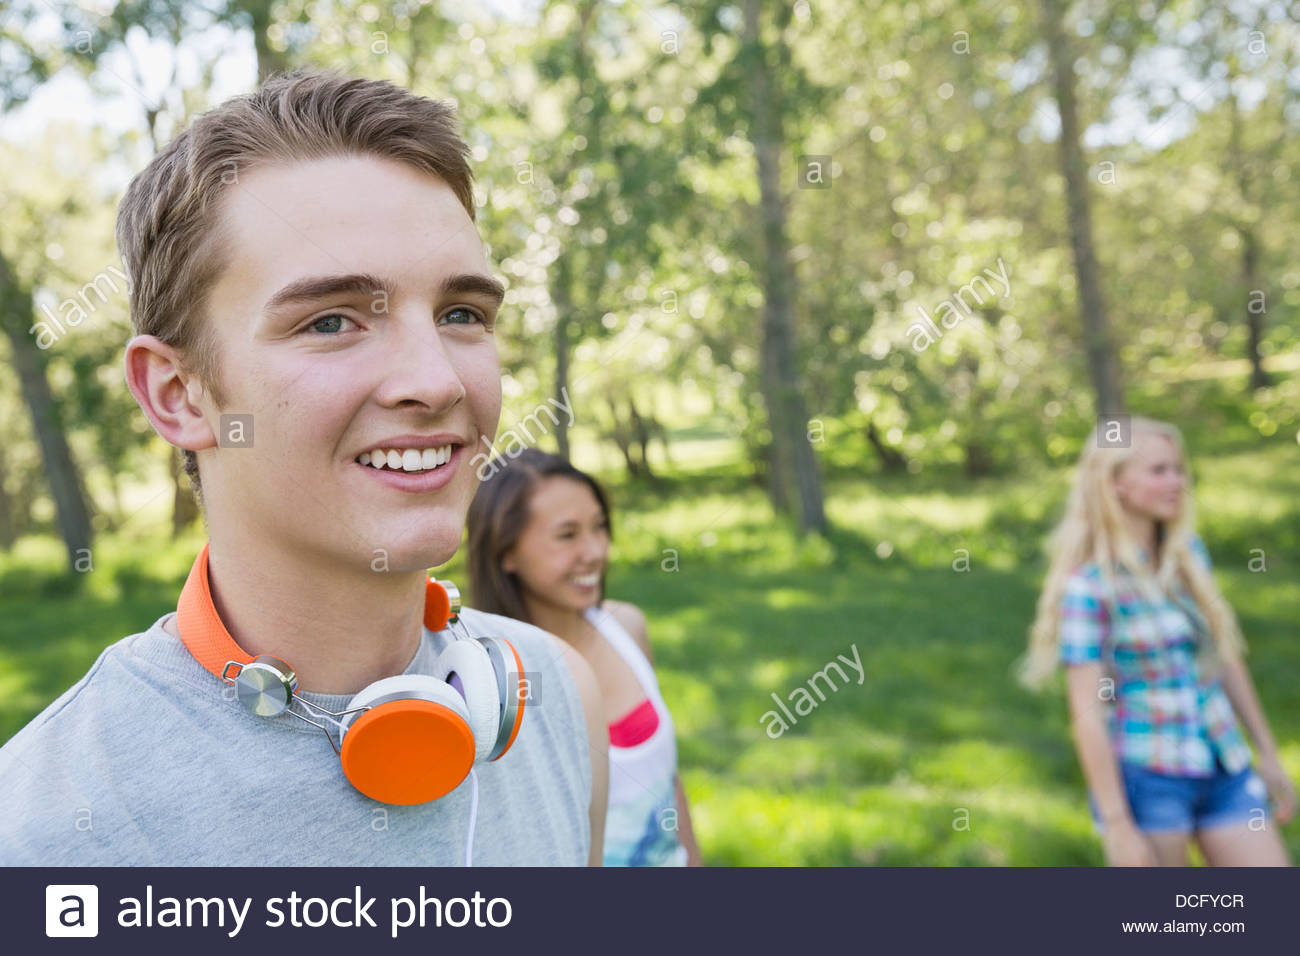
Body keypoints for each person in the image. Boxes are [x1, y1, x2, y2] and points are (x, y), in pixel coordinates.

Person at [0, 70, 608, 866]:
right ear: (180, 394)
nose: (437, 380)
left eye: (462, 313)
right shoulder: (41, 832)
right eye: (331, 321)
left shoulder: (558, 697)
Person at [1022, 416, 1295, 866]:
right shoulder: (1090, 586)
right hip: (1150, 777)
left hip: (1222, 761)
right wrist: (1118, 825)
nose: (1177, 481)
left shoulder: (1189, 558)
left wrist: (1266, 751)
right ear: (1115, 485)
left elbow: (1224, 659)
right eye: (1159, 470)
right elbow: (1087, 713)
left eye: (1179, 468)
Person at [466, 449, 702, 866]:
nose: (594, 551)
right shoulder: (497, 683)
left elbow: (667, 778)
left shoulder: (625, 627)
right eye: (567, 535)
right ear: (506, 551)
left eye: (599, 527)